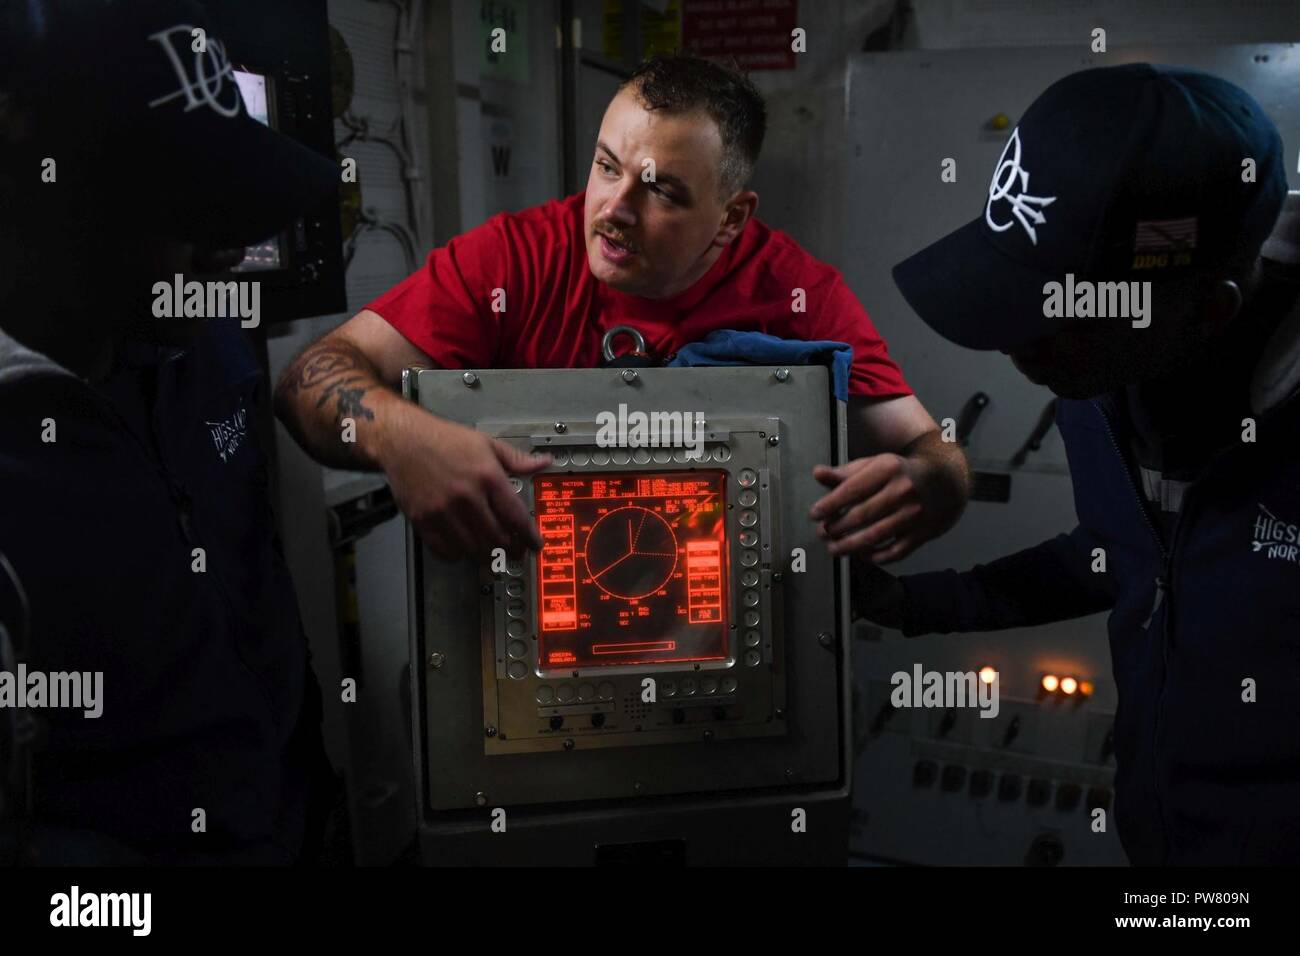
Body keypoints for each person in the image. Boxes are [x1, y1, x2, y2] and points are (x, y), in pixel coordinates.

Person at [275, 54, 970, 565]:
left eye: (660, 191)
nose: (614, 211)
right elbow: (311, 374)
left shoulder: (799, 293)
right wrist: (400, 436)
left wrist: (933, 485)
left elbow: (931, 448)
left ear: (731, 218)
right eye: (606, 167)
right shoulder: (514, 261)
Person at [866, 63, 1298, 864]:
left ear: (1210, 310)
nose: (1014, 344)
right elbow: (1122, 552)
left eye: (1057, 318)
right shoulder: (1100, 370)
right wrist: (912, 604)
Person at [0, 0, 341, 863]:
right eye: (190, 205)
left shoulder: (204, 332)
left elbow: (256, 584)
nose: (233, 245)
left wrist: (316, 807)